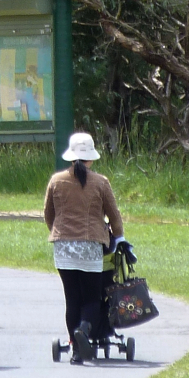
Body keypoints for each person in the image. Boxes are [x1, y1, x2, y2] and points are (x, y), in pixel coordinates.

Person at [44, 132, 133, 364]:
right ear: (91, 158)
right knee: (92, 298)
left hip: (63, 247)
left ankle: (75, 351)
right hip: (92, 246)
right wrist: (119, 237)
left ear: (71, 157)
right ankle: (83, 330)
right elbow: (114, 216)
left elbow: (48, 214)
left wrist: (58, 232)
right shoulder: (101, 182)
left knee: (71, 299)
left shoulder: (56, 181)